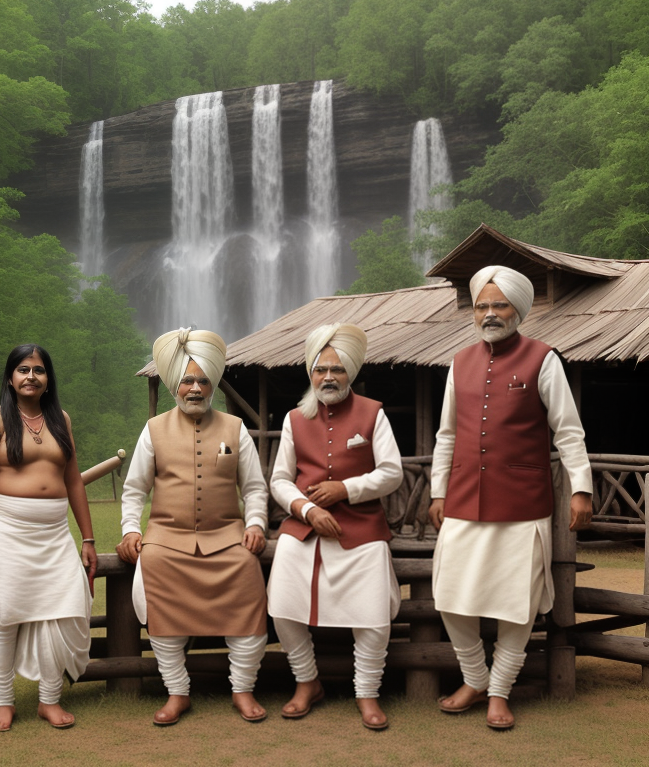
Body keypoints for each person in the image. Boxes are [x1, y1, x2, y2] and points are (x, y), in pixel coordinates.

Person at [429, 265, 593, 731]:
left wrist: (580, 486)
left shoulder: (544, 359)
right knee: (449, 596)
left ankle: (500, 692)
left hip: (523, 502)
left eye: (500, 305)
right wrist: (439, 490)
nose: (490, 313)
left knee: (516, 602)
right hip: (462, 497)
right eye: (482, 305)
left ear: (518, 309)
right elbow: (445, 435)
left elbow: (568, 430)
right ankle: (475, 678)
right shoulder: (458, 362)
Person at [116, 328, 268, 726]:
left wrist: (254, 523)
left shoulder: (236, 429)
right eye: (188, 380)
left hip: (228, 540)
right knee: (160, 592)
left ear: (213, 384)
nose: (196, 388)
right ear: (174, 386)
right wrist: (132, 530)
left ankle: (243, 688)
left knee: (250, 584)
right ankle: (177, 692)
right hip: (167, 541)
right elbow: (134, 490)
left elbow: (254, 488)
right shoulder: (153, 430)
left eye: (203, 381)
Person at [266, 323, 403, 731]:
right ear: (310, 372)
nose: (329, 377)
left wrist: (346, 489)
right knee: (282, 604)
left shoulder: (373, 413)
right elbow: (278, 480)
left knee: (374, 614)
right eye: (321, 369)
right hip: (304, 527)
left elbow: (392, 472)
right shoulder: (294, 419)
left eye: (338, 369)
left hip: (361, 527)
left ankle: (367, 692)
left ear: (351, 373)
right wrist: (307, 510)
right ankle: (307, 682)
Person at [0, 344, 97, 732]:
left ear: (47, 379)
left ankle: (49, 700)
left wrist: (87, 538)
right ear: (10, 377)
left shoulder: (61, 419)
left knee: (59, 612)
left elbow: (73, 480)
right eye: (23, 370)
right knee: (6, 614)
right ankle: (3, 702)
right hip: (8, 530)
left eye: (38, 370)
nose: (31, 376)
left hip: (55, 534)